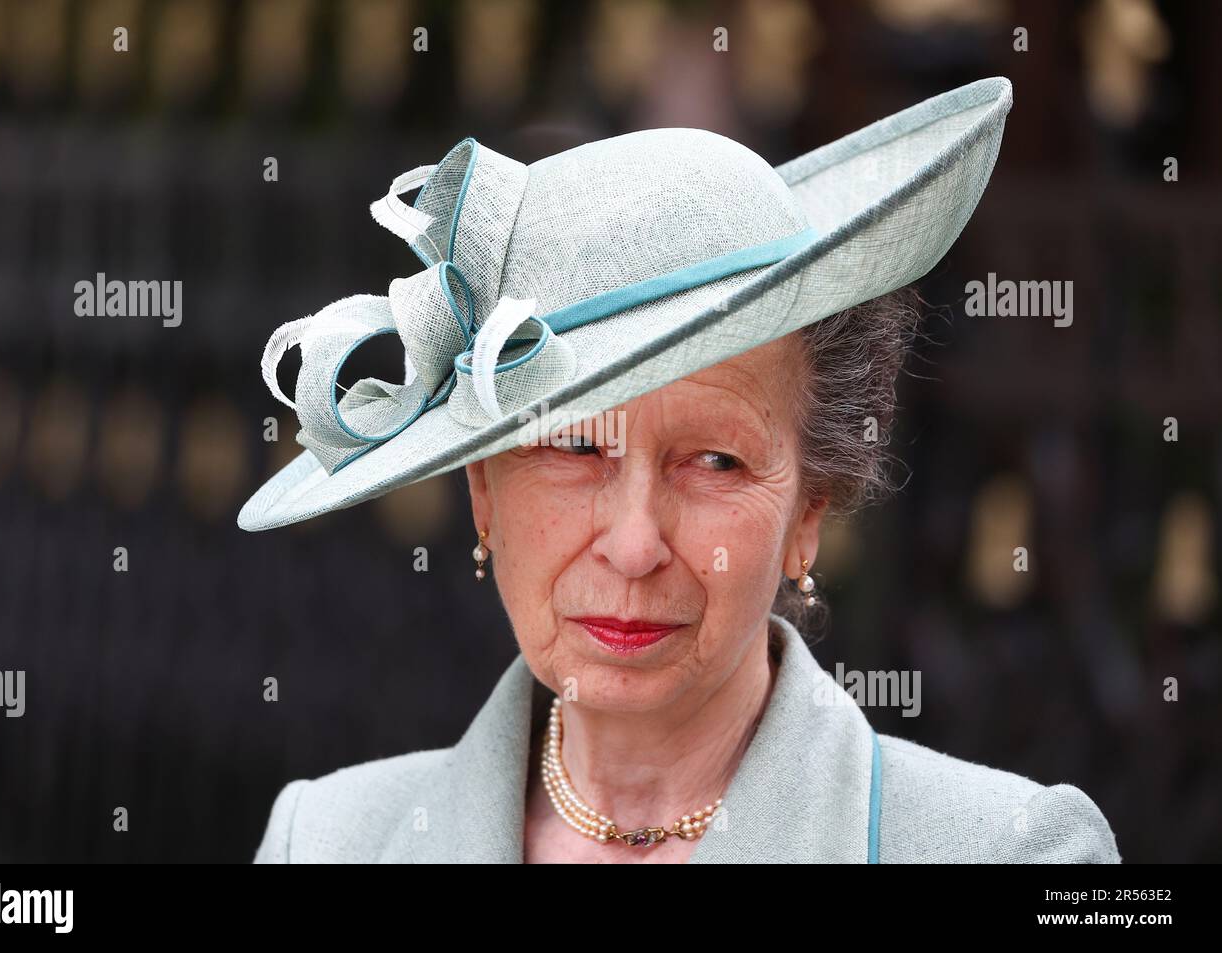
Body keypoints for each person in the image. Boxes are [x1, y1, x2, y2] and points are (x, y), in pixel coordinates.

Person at [240, 76, 1121, 863]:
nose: (633, 546)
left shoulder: (1018, 854)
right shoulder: (322, 839)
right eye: (576, 446)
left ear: (809, 510)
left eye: (714, 460)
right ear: (483, 490)